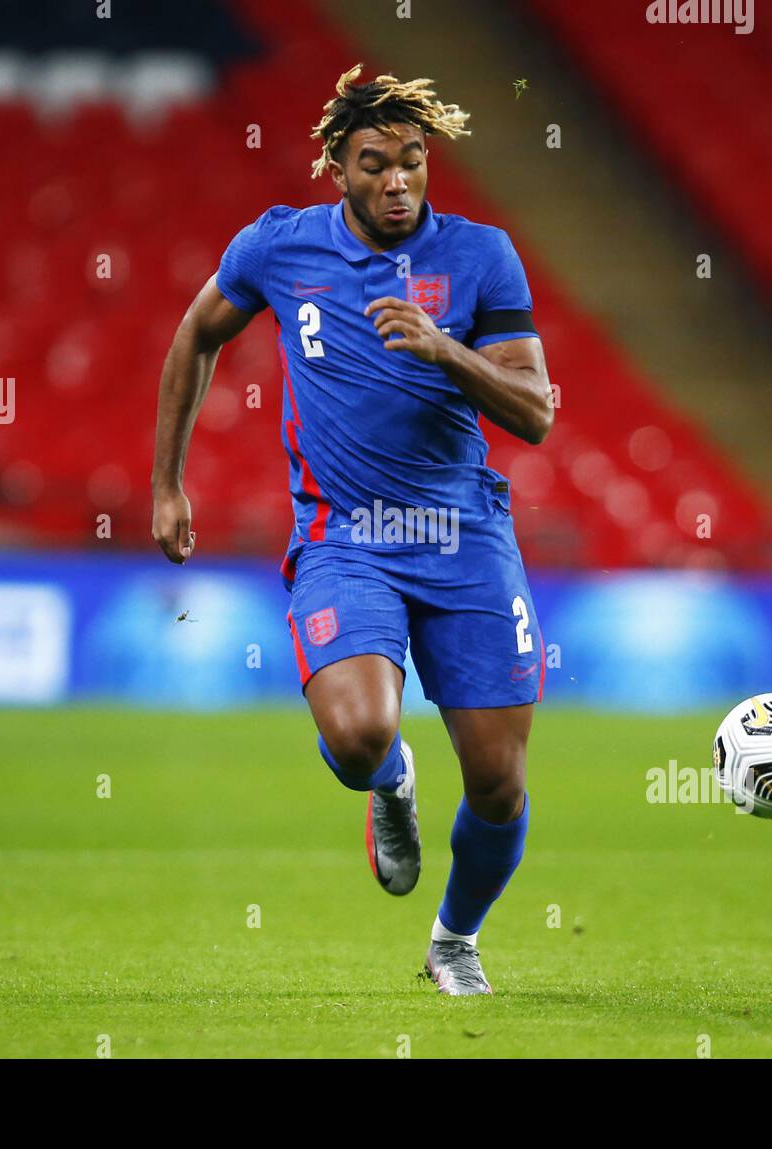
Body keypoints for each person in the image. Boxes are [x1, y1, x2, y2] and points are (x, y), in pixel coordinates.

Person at [151, 64, 553, 995]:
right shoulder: (278, 248)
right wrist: (167, 483)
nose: (399, 181)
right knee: (364, 732)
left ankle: (454, 939)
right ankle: (390, 782)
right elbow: (196, 334)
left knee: (498, 782)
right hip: (346, 537)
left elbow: (534, 413)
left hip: (464, 538)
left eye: (414, 162)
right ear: (336, 166)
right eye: (376, 163)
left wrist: (445, 346)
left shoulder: (483, 256)